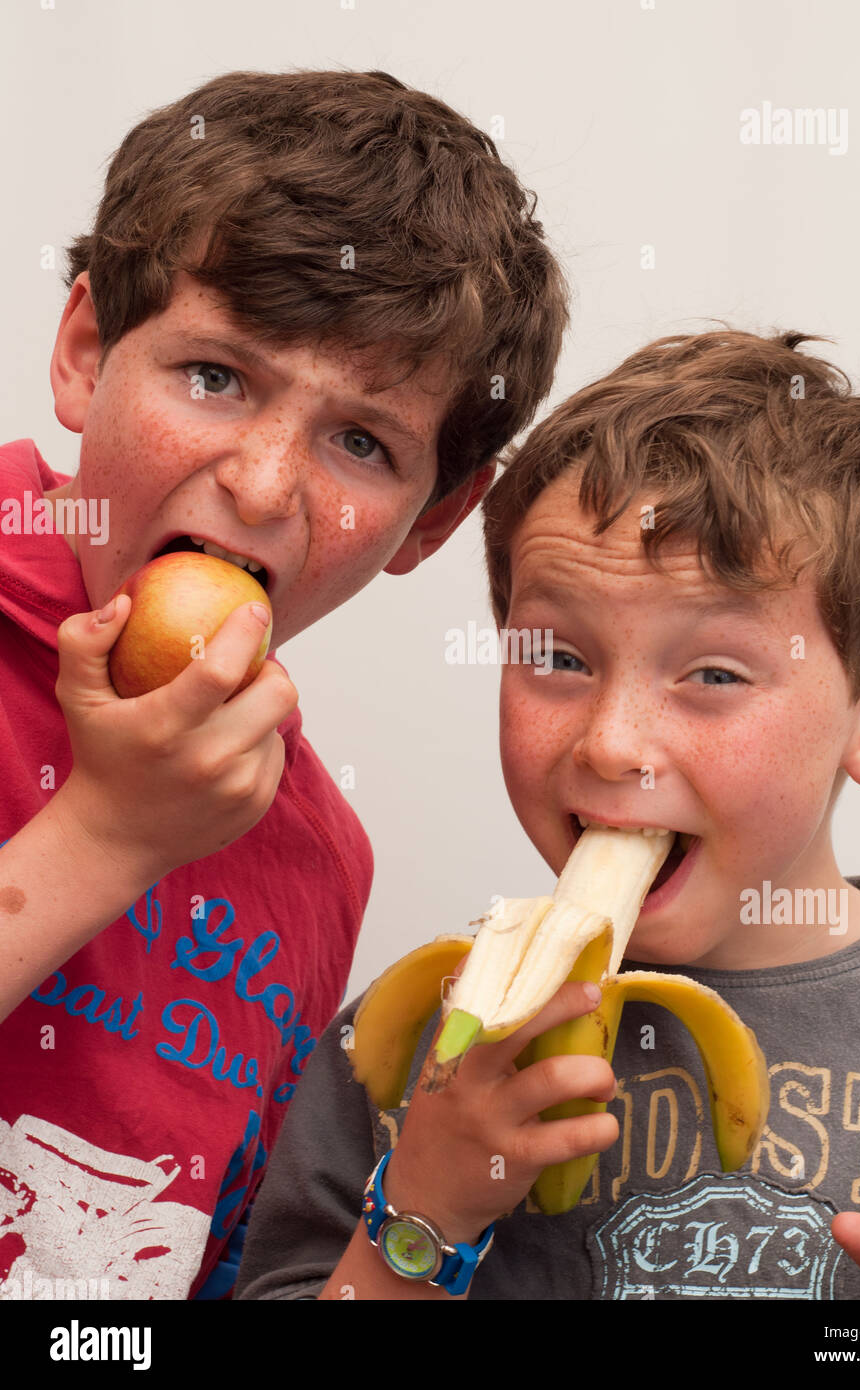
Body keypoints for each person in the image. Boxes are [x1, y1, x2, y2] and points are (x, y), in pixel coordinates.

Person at [234, 329, 860, 1302]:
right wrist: (422, 1215)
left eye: (713, 673)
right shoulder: (410, 1040)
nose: (609, 743)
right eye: (559, 659)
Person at [0, 67, 569, 1300]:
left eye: (361, 442)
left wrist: (421, 1213)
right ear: (88, 350)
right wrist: (105, 835)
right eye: (215, 376)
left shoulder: (318, 856)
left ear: (433, 520)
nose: (262, 486)